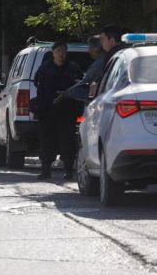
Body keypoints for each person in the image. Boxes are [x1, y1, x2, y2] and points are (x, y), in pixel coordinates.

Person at [33, 41, 82, 180]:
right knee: (46, 141)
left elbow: (80, 86)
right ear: (53, 52)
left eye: (63, 51)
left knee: (67, 141)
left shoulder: (73, 68)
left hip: (67, 111)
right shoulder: (44, 68)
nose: (61, 54)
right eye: (58, 51)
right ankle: (46, 170)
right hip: (47, 111)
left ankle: (68, 171)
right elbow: (37, 83)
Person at [65, 35, 105, 101]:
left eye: (90, 48)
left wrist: (68, 93)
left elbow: (85, 81)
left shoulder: (98, 63)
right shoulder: (105, 59)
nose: (89, 51)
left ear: (95, 48)